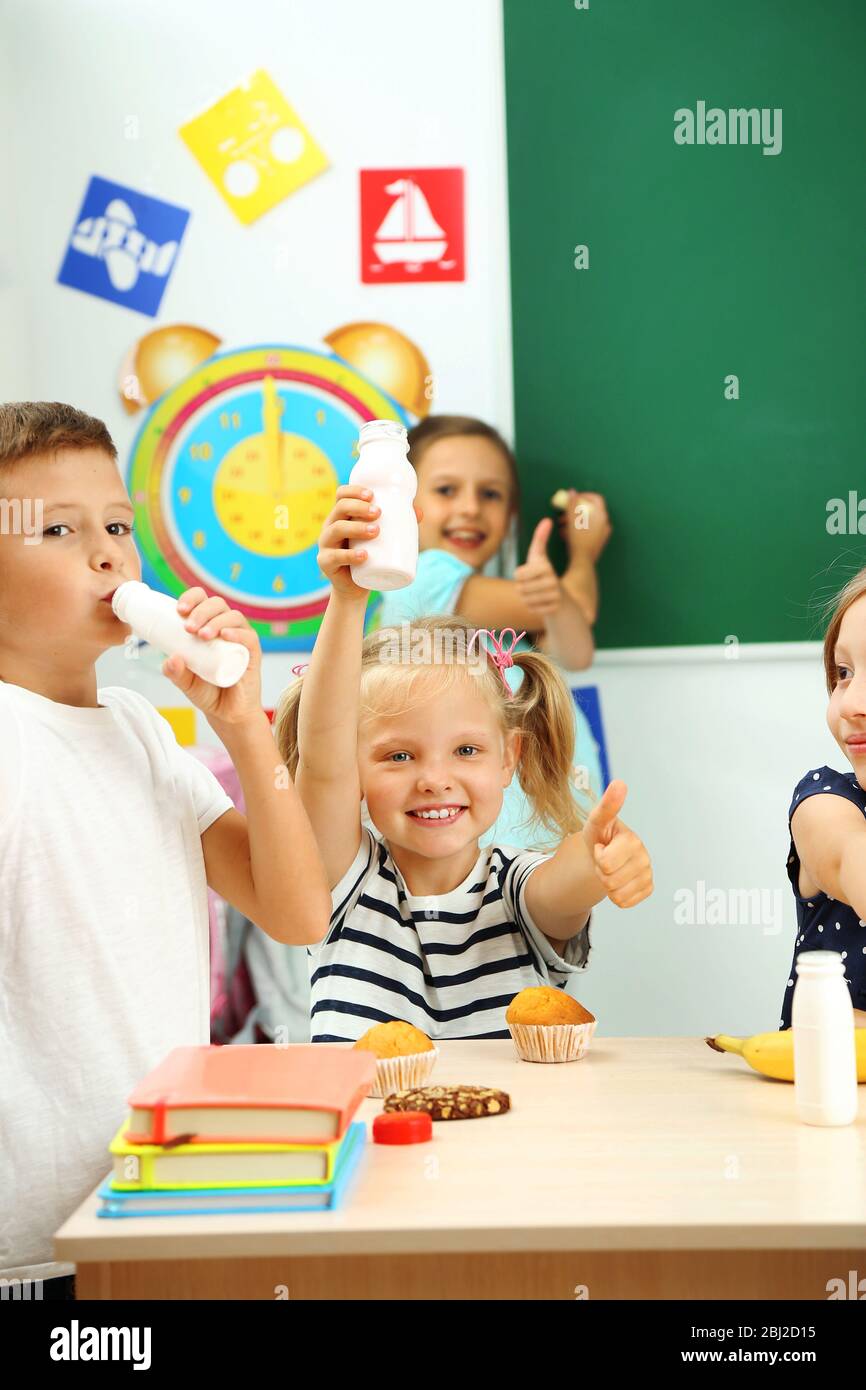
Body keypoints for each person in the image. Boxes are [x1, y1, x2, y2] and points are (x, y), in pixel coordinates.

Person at [0, 402, 331, 1294]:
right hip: (34, 1245)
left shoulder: (141, 728)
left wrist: (247, 727)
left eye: (116, 525)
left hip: (152, 1209)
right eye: (59, 530)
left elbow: (297, 912)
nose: (107, 553)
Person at [274, 481, 652, 1042]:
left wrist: (597, 861)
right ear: (355, 770)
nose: (434, 779)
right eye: (399, 755)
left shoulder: (515, 885)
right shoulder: (341, 881)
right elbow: (323, 757)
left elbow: (560, 891)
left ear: (509, 758)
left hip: (505, 1131)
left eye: (466, 751)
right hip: (371, 1131)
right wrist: (348, 597)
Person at [378, 414, 611, 845]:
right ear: (406, 504)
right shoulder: (421, 577)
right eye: (446, 490)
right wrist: (583, 551)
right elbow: (580, 607)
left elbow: (576, 652)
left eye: (490, 494)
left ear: (510, 515)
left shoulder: (502, 635)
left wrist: (554, 598)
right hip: (485, 873)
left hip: (545, 859)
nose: (469, 508)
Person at [782, 569, 866, 1029]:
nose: (851, 702)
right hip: (826, 1088)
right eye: (844, 673)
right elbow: (855, 859)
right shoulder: (825, 802)